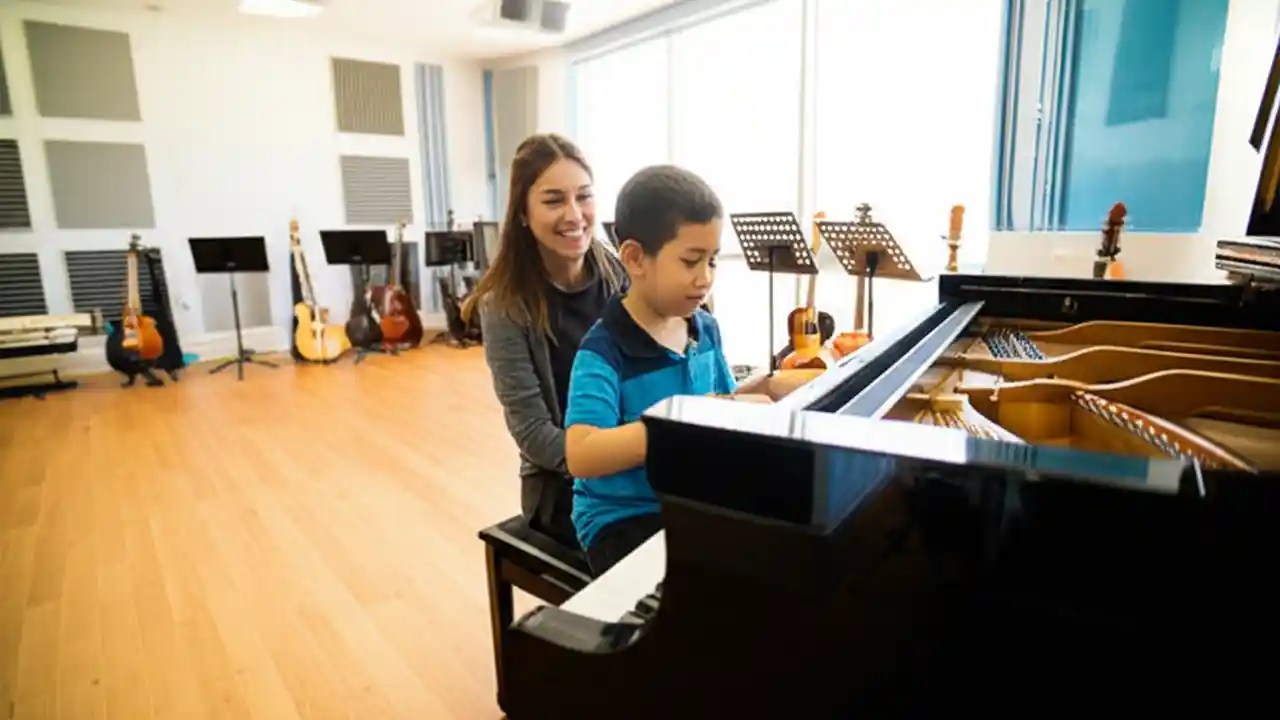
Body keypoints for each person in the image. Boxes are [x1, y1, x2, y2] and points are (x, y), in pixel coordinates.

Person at [564, 165, 771, 575]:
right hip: (624, 518)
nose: (705, 278)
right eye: (691, 261)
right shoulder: (604, 351)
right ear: (636, 259)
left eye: (712, 261)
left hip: (691, 498)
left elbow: (723, 402)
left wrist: (774, 388)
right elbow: (582, 455)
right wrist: (681, 423)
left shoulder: (705, 328)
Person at [463, 134, 627, 549]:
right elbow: (534, 434)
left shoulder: (619, 272)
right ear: (522, 211)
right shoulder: (503, 306)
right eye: (554, 200)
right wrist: (621, 459)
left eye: (584, 197)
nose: (574, 215)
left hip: (633, 461)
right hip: (562, 488)